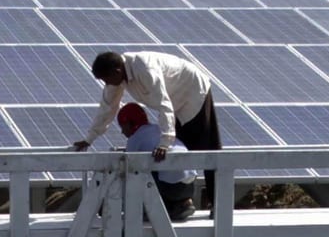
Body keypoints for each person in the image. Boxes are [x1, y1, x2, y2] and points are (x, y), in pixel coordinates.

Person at [73, 51, 221, 160]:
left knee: (204, 146)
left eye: (106, 80)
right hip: (174, 102)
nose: (106, 84)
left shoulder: (145, 71)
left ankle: (213, 196)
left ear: (116, 71)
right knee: (180, 148)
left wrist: (164, 143)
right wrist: (89, 139)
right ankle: (183, 198)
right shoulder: (116, 77)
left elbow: (163, 104)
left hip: (192, 91)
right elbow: (107, 108)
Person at [118, 103, 197, 221]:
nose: (122, 132)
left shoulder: (135, 138)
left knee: (137, 174)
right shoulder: (160, 130)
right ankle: (184, 203)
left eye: (123, 127)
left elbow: (128, 170)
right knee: (161, 168)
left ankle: (156, 209)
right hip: (190, 186)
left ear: (130, 123)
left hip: (170, 188)